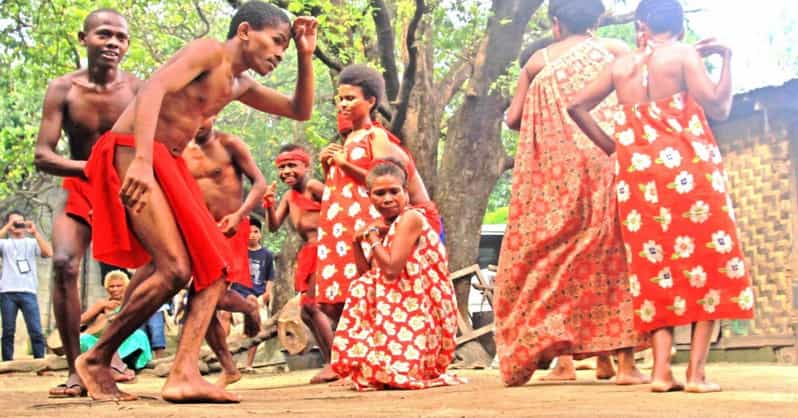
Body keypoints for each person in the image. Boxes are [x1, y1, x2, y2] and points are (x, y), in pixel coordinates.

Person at [75, 1, 317, 402]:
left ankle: (181, 371)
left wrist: (306, 56)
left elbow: (299, 110)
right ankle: (99, 357)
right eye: (275, 42)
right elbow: (154, 88)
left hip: (166, 161)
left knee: (214, 264)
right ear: (243, 32)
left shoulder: (240, 85)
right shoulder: (208, 51)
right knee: (173, 268)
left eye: (284, 49)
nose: (278, 54)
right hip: (133, 150)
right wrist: (138, 159)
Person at [568, 0, 754, 393]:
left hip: (639, 177)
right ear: (680, 26)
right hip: (689, 172)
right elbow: (719, 107)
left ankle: (660, 371)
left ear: (641, 25)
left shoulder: (621, 67)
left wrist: (614, 148)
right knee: (710, 263)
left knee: (656, 269)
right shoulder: (684, 55)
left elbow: (576, 105)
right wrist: (726, 59)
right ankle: (696, 375)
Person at [494, 0, 648, 387]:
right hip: (605, 165)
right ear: (597, 20)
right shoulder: (613, 51)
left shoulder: (537, 63)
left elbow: (513, 119)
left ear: (556, 24)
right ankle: (623, 362)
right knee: (613, 258)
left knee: (559, 263)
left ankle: (563, 360)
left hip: (555, 178)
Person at [32, 8, 141, 398]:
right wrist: (91, 167)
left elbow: (154, 145)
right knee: (63, 264)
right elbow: (43, 155)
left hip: (127, 191)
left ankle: (108, 354)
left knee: (165, 270)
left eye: (121, 38)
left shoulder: (136, 89)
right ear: (84, 39)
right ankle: (76, 370)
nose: (113, 43)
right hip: (81, 186)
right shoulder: (63, 89)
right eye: (104, 35)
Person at [314, 64, 441, 382]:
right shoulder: (351, 138)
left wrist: (343, 163)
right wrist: (329, 165)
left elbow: (388, 176)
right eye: (339, 99)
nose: (342, 105)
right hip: (342, 226)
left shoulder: (377, 135)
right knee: (338, 295)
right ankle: (353, 355)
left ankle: (373, 355)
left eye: (350, 98)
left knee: (371, 289)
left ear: (370, 101)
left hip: (372, 221)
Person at [330, 160, 461, 390]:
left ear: (406, 193)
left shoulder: (410, 218)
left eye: (394, 191)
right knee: (361, 286)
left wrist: (371, 237)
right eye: (380, 193)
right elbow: (367, 275)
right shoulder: (383, 225)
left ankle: (408, 359)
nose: (387, 198)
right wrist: (355, 243)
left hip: (422, 304)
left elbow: (390, 271)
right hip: (400, 302)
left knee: (396, 375)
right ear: (369, 196)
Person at [184, 117, 267, 385]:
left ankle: (248, 308)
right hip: (201, 233)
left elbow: (259, 183)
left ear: (214, 113)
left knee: (204, 299)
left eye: (201, 112)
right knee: (199, 302)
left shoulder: (229, 143)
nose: (195, 119)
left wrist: (240, 214)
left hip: (231, 227)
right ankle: (230, 367)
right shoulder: (181, 150)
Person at [262, 144, 331, 383]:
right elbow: (272, 226)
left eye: (292, 165)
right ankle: (331, 361)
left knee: (312, 307)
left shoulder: (313, 187)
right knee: (305, 310)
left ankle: (336, 364)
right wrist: (269, 204)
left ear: (305, 166)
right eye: (282, 167)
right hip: (309, 252)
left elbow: (340, 205)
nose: (286, 171)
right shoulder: (289, 197)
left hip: (327, 249)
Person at [0, 211, 52, 361]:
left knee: (35, 329)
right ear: (9, 225)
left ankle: (40, 362)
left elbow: (48, 252)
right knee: (8, 331)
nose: (18, 225)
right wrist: (7, 226)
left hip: (28, 291)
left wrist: (35, 233)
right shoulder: (5, 243)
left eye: (20, 222)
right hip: (7, 291)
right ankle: (7, 363)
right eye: (14, 222)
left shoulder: (31, 243)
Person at [80, 271, 150, 374]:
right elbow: (80, 320)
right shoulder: (102, 303)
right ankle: (108, 363)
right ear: (107, 288)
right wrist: (101, 307)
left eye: (119, 286)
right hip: (103, 343)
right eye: (112, 286)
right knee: (83, 339)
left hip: (125, 341)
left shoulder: (132, 301)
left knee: (139, 335)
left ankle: (124, 364)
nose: (115, 289)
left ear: (126, 286)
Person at [240, 217, 274, 371]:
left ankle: (249, 364)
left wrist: (267, 294)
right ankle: (227, 358)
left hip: (258, 295)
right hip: (239, 293)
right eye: (249, 232)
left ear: (260, 234)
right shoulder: (239, 251)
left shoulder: (266, 254)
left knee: (257, 328)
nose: (252, 235)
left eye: (256, 232)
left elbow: (270, 277)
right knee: (225, 317)